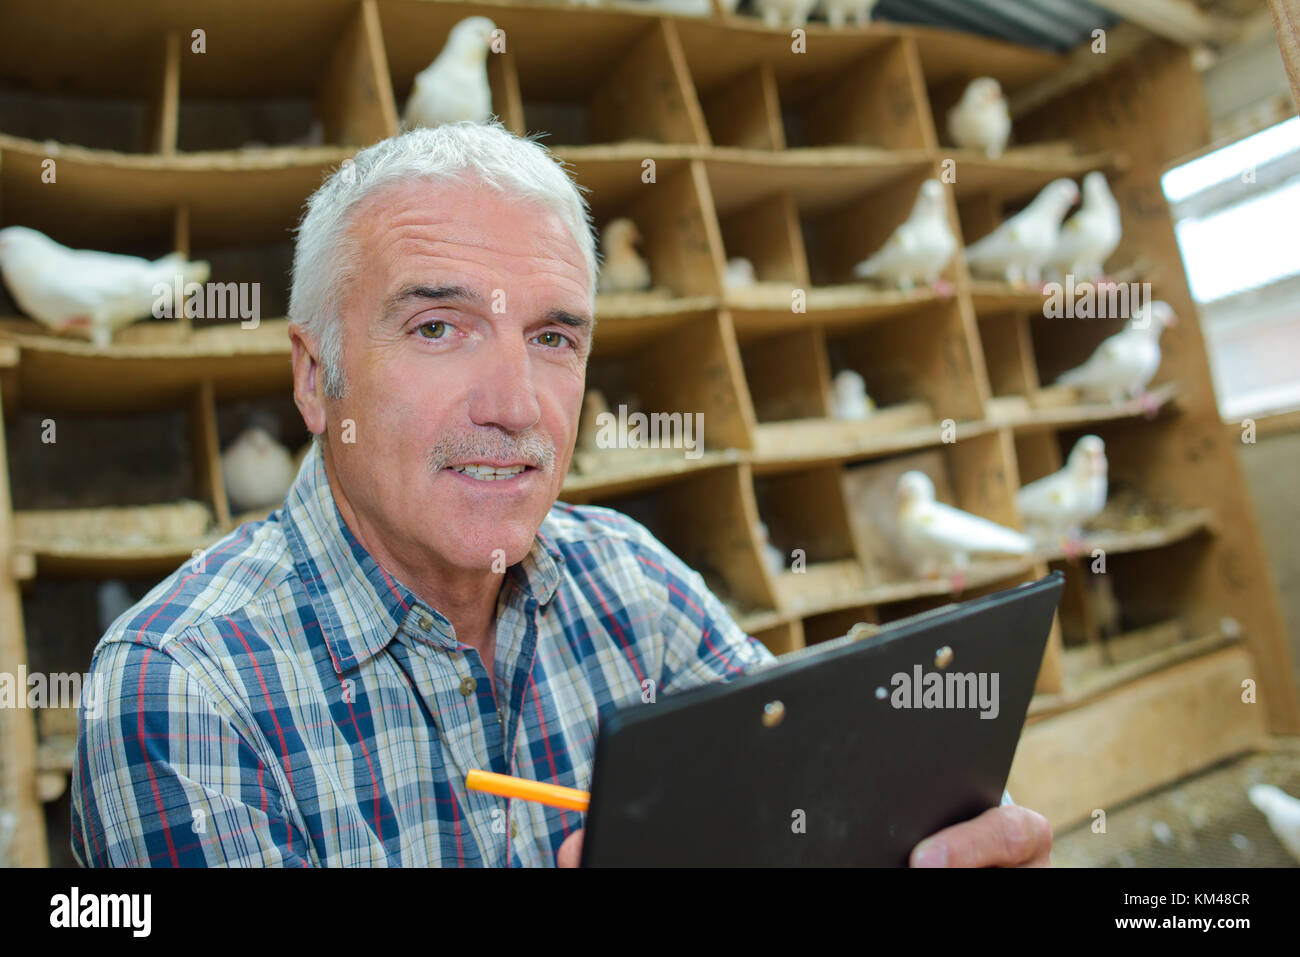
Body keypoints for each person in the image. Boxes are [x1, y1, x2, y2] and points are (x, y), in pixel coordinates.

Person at [70, 122, 1050, 867]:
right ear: (314, 375)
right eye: (437, 328)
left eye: (552, 338)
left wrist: (895, 836)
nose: (514, 407)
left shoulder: (631, 585)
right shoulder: (183, 690)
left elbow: (797, 806)